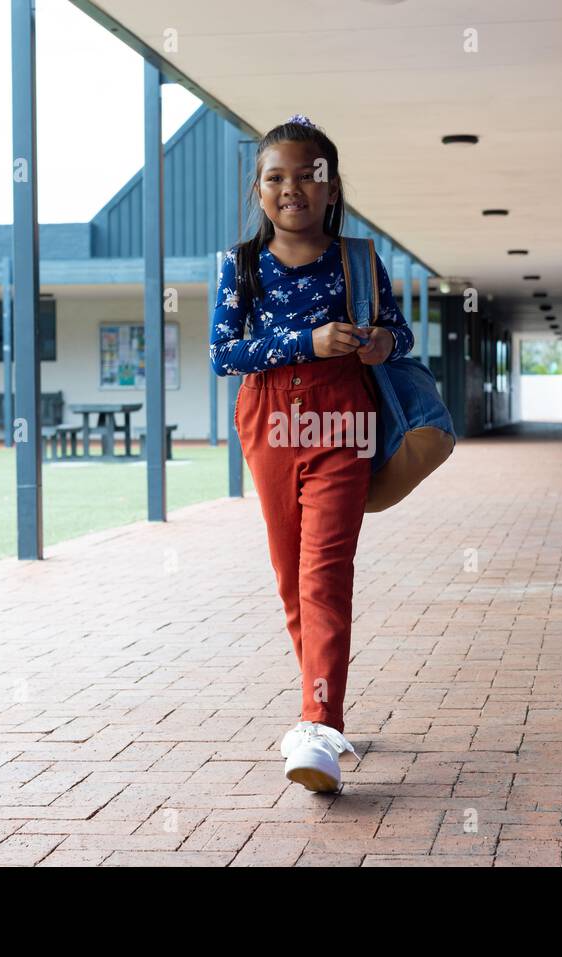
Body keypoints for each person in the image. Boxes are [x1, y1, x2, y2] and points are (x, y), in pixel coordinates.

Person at [209, 114, 414, 793]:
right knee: (292, 576)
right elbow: (222, 354)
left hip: (342, 417)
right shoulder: (238, 265)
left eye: (307, 175)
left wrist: (377, 343)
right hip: (267, 417)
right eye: (275, 177)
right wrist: (306, 341)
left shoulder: (359, 259)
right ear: (259, 189)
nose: (291, 187)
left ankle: (317, 725)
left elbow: (400, 336)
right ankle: (320, 706)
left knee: (325, 571)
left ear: (331, 189)